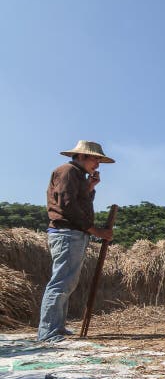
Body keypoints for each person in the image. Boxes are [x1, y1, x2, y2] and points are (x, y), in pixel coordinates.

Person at [38, 141, 115, 343]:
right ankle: (48, 332)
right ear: (81, 156)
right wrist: (95, 230)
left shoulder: (78, 175)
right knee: (61, 282)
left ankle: (57, 328)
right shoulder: (68, 171)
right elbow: (67, 206)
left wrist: (90, 187)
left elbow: (78, 202)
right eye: (95, 158)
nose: (97, 164)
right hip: (67, 232)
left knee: (67, 282)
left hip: (74, 233)